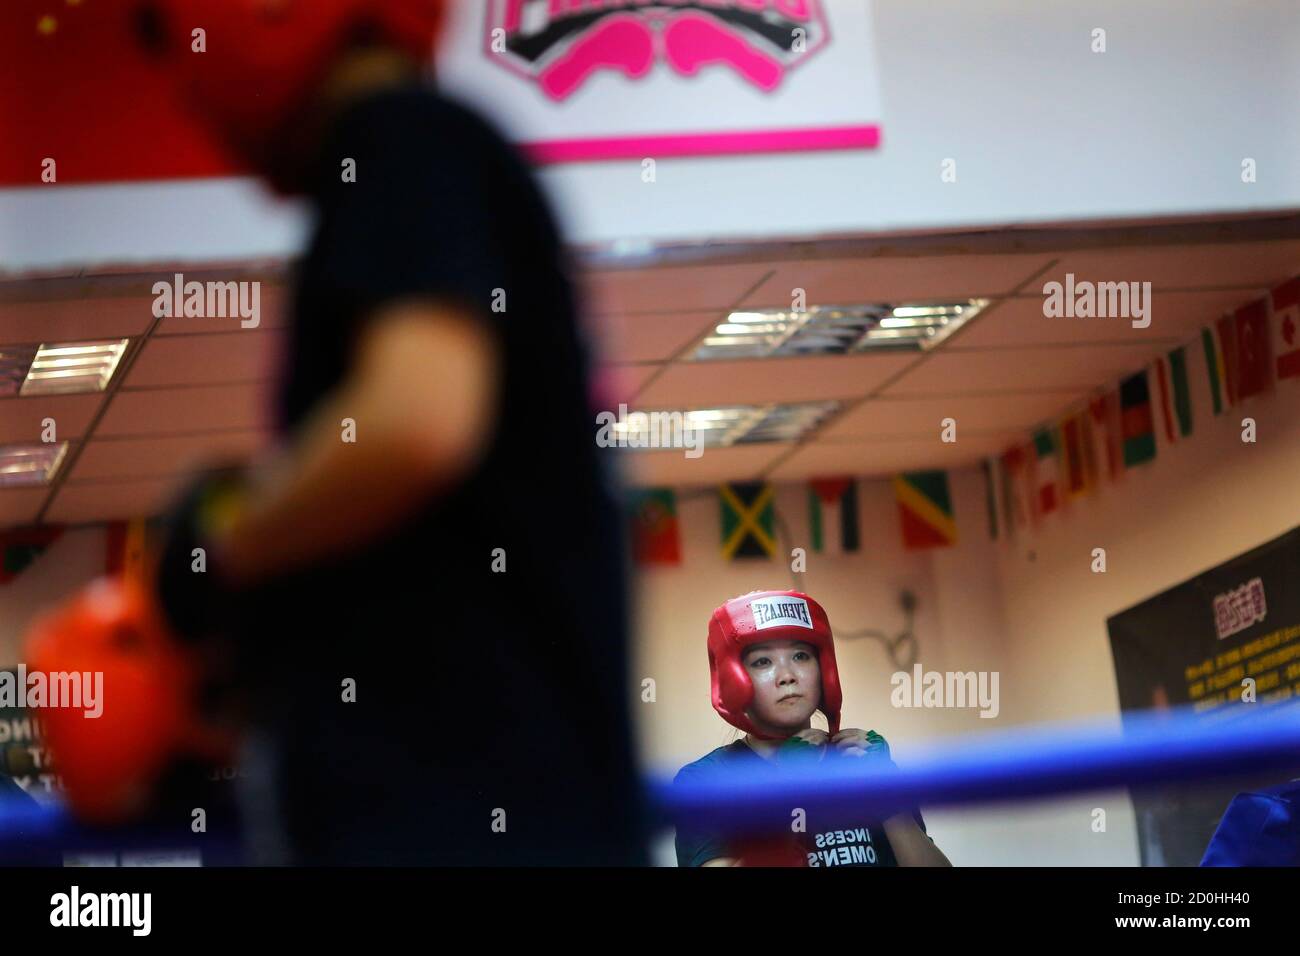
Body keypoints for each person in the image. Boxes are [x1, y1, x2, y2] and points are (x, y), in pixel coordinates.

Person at [129, 0, 646, 865]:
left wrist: (219, 546)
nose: (196, 105)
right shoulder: (412, 162)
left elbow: (416, 424)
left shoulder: (403, 142)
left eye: (184, 52)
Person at [674, 590, 951, 867]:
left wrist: (889, 800)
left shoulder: (857, 759)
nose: (788, 676)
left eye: (801, 656)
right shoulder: (707, 781)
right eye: (762, 662)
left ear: (823, 669)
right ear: (734, 679)